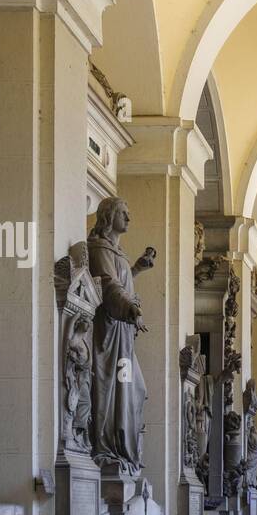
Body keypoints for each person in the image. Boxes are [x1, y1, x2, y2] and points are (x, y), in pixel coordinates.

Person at [87, 197, 154, 475]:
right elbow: (110, 287)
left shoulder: (116, 252)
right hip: (110, 334)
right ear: (108, 215)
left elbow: (121, 281)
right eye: (123, 213)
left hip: (123, 336)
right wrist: (131, 308)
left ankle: (124, 452)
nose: (129, 218)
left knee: (136, 389)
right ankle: (107, 447)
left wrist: (136, 268)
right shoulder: (100, 248)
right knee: (117, 387)